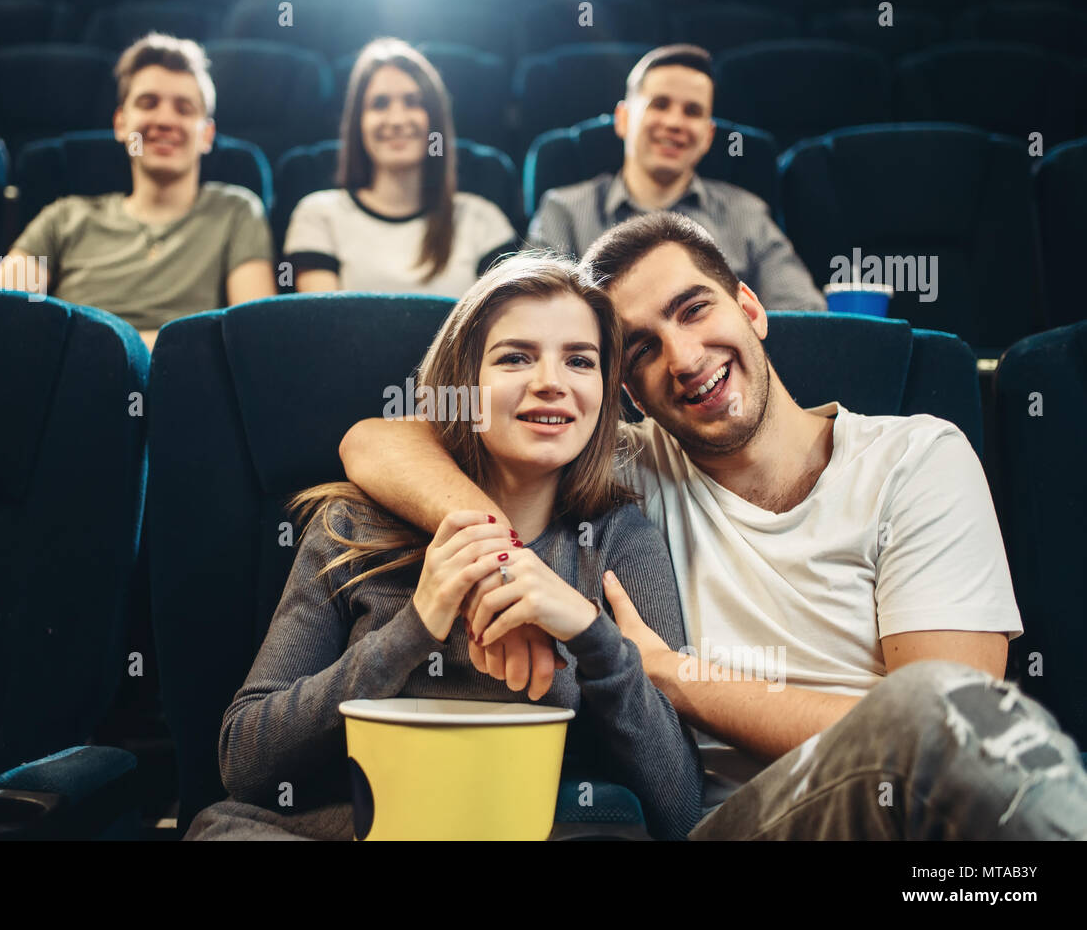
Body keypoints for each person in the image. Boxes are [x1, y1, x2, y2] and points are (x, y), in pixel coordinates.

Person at [339, 212, 1087, 839]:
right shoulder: (626, 469)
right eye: (641, 349)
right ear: (622, 389)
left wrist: (672, 674)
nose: (686, 357)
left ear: (750, 308)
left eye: (694, 309)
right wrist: (503, 558)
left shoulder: (917, 456)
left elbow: (953, 723)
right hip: (745, 822)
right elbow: (375, 439)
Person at [185, 254, 702, 840]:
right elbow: (245, 761)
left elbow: (679, 808)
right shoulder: (351, 523)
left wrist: (591, 633)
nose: (551, 382)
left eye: (579, 360)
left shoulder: (617, 535)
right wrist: (413, 630)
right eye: (515, 358)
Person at [0, 33, 276, 350]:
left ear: (207, 135)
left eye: (184, 108)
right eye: (148, 103)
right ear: (121, 123)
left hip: (186, 389)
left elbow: (253, 341)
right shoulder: (64, 217)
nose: (165, 120)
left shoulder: (236, 211)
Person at [528, 44, 825, 313]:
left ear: (708, 136)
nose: (674, 123)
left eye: (692, 111)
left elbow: (802, 316)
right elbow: (533, 315)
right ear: (623, 119)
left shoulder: (747, 214)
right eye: (659, 104)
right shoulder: (564, 210)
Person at [284, 38, 518, 297]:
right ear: (358, 123)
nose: (397, 120)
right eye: (380, 104)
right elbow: (325, 328)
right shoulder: (318, 215)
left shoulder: (484, 221)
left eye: (413, 102)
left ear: (435, 119)